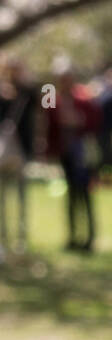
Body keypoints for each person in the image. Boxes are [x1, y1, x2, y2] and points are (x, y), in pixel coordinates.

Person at [46, 64, 102, 252]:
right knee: (70, 195)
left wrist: (79, 120)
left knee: (85, 194)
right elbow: (47, 119)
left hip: (82, 152)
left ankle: (90, 237)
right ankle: (72, 236)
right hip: (65, 153)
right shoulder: (54, 98)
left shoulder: (83, 98)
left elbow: (95, 120)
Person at [0, 59, 37, 255]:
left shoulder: (28, 92)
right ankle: (3, 240)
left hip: (22, 149)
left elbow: (49, 101)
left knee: (22, 196)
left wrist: (29, 80)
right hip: (3, 151)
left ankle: (21, 239)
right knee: (2, 198)